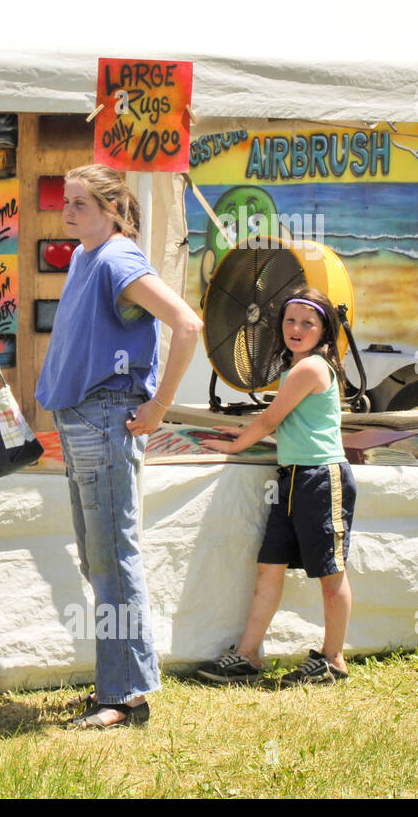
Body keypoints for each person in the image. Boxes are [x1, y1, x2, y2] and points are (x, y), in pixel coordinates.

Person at [35, 163, 202, 729]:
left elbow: (186, 324)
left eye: (80, 202)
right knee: (100, 557)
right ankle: (121, 683)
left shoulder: (117, 258)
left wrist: (158, 406)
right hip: (85, 421)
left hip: (107, 420)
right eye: (67, 201)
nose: (68, 211)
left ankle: (127, 694)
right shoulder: (88, 256)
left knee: (112, 558)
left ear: (110, 209)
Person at [197, 286, 355, 686]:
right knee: (270, 566)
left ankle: (333, 660)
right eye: (290, 320)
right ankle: (247, 656)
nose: (296, 329)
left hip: (321, 479)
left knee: (330, 572)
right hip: (292, 479)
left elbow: (269, 421)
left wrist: (233, 445)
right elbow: (286, 427)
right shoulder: (295, 370)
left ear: (324, 330)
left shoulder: (310, 369)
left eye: (308, 322)